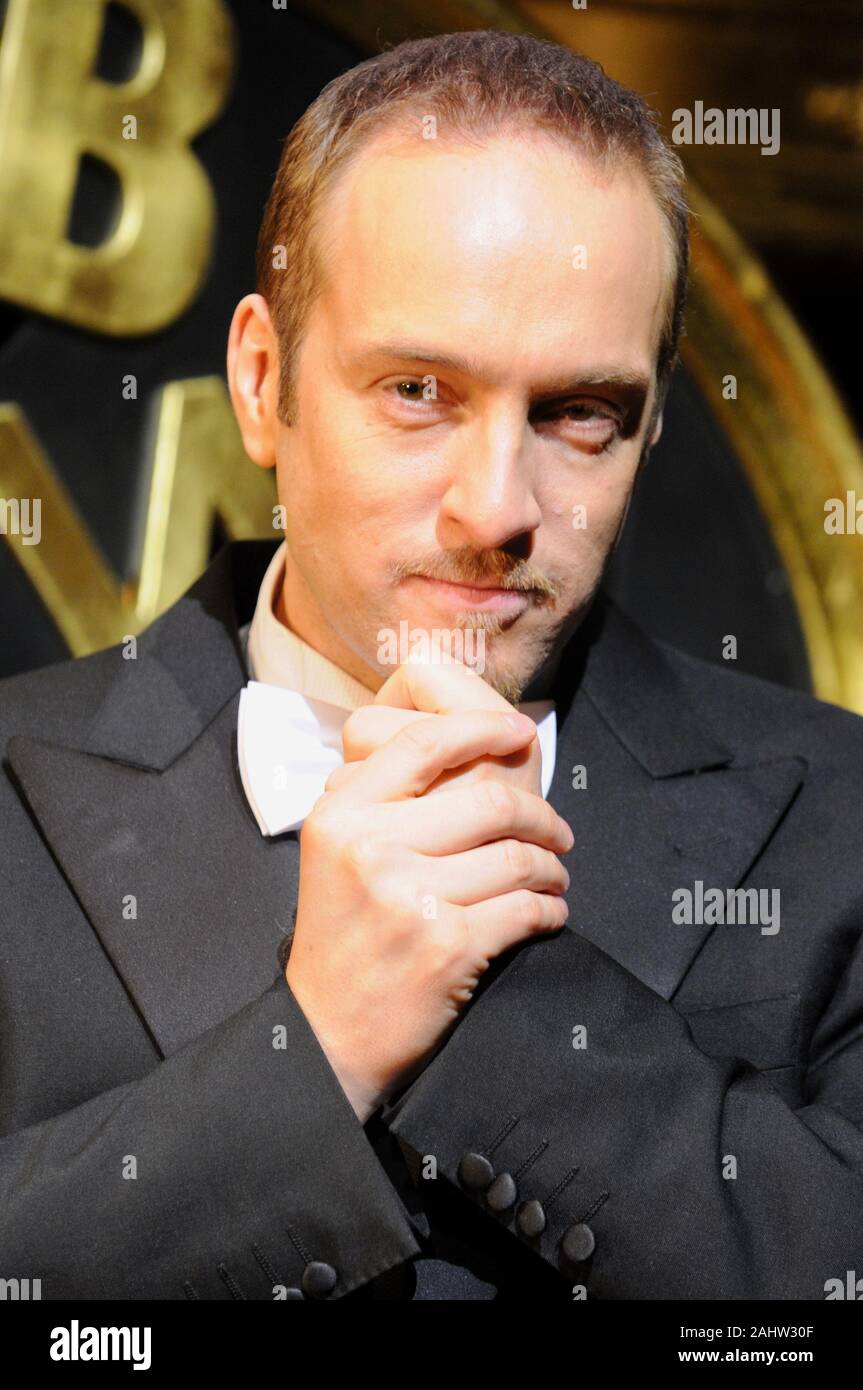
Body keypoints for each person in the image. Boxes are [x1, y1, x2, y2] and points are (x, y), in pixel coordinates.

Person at [1, 30, 861, 1301]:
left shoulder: (841, 820)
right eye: (417, 389)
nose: (494, 505)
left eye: (578, 414)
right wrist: (321, 1047)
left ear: (652, 422)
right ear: (261, 382)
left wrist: (487, 1005)